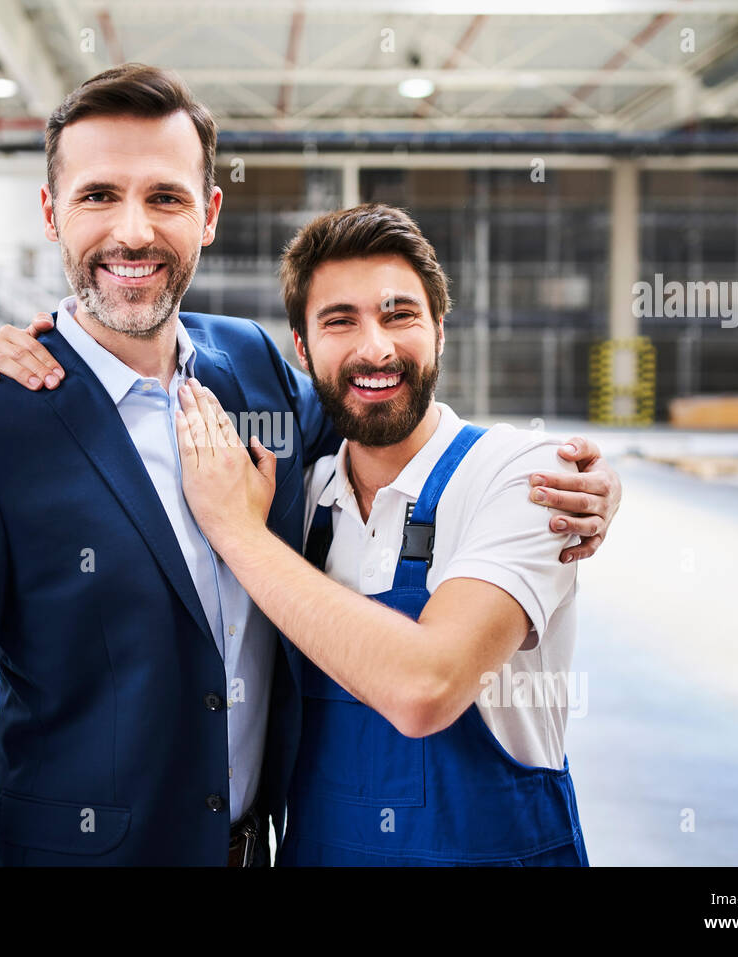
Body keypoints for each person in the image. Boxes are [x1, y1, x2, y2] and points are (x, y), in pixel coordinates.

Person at [0, 63, 619, 866]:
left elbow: (380, 415)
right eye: (99, 196)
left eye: (166, 197)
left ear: (209, 214)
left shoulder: (252, 366)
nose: (133, 232)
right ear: (53, 214)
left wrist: (586, 481)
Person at [170, 203, 593, 865]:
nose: (375, 348)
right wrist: (53, 341)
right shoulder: (301, 498)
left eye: (399, 315)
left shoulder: (523, 478)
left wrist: (238, 531)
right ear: (303, 348)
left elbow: (426, 689)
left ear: (440, 331)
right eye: (340, 321)